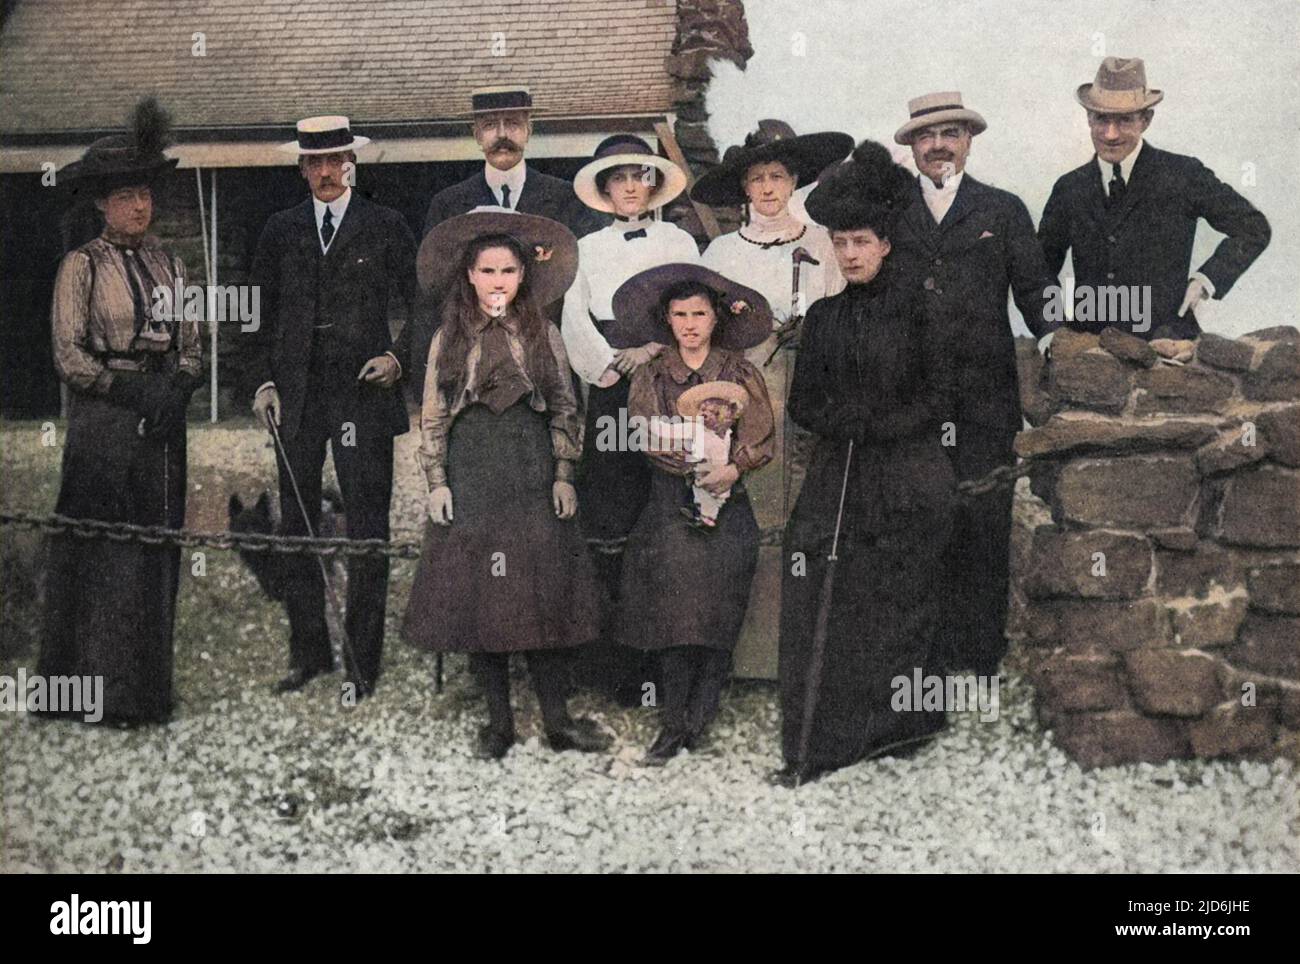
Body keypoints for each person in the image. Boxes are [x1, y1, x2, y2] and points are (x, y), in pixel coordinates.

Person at [777, 141, 959, 785]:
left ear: (885, 243)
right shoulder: (824, 319)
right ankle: (821, 733)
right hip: (839, 471)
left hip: (907, 470)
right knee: (820, 582)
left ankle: (895, 727)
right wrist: (839, 420)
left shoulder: (922, 308)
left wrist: (883, 424)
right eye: (842, 242)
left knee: (898, 592)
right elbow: (803, 402)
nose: (851, 253)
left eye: (862, 241)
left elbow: (942, 395)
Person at [401, 208, 609, 760]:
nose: (498, 282)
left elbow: (566, 408)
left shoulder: (545, 334)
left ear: (524, 277)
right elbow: (434, 413)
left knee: (543, 584)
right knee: (481, 591)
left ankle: (558, 719)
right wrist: (438, 481)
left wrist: (564, 474)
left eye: (509, 271)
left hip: (530, 466)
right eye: (488, 271)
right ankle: (498, 723)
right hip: (472, 468)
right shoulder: (448, 338)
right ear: (469, 275)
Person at [40, 98, 202, 726]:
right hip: (105, 421)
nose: (140, 207)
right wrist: (127, 391)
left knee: (157, 543)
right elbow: (68, 354)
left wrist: (176, 390)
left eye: (146, 195)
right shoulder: (80, 267)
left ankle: (145, 691)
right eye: (127, 196)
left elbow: (191, 344)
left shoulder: (171, 264)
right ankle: (89, 690)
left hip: (164, 420)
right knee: (104, 546)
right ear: (101, 204)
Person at [888, 91, 1058, 677]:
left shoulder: (1002, 209)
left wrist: (1058, 336)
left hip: (985, 394)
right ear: (911, 146)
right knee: (915, 516)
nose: (938, 145)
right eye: (925, 136)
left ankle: (978, 652)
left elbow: (1035, 288)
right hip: (907, 396)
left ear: (969, 140)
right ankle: (917, 650)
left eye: (950, 134)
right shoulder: (889, 211)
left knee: (984, 516)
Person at [247, 116, 416, 700]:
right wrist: (262, 381)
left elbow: (424, 305)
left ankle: (362, 664)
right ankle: (308, 654)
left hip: (364, 395)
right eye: (313, 162)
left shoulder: (386, 225)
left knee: (367, 530)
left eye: (335, 160)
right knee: (296, 526)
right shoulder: (279, 229)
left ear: (351, 163)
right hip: (296, 398)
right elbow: (253, 312)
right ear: (300, 167)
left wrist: (398, 356)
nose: (324, 171)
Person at [691, 119, 852, 678]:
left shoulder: (822, 244)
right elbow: (704, 330)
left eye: (778, 177)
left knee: (808, 514)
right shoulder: (720, 252)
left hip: (810, 391)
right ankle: (746, 655)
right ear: (744, 188)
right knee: (746, 512)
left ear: (794, 182)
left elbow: (840, 313)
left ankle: (804, 650)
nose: (767, 189)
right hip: (743, 394)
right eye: (757, 178)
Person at [607, 263, 775, 762]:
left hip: (729, 503)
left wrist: (733, 467)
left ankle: (703, 713)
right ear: (667, 320)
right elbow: (642, 430)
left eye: (699, 313)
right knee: (675, 612)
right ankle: (672, 720)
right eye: (679, 314)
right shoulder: (655, 375)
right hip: (670, 503)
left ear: (715, 319)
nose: (690, 324)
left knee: (720, 607)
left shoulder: (739, 371)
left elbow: (760, 431)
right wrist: (687, 459)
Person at [559, 133, 699, 700]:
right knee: (612, 512)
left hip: (671, 385)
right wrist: (610, 368)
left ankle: (671, 664)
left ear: (654, 184)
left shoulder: (679, 240)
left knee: (668, 506)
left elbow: (698, 307)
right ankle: (614, 666)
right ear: (605, 189)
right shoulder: (586, 248)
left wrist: (657, 352)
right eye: (618, 179)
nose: (630, 188)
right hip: (615, 391)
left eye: (640, 177)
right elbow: (574, 318)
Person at [1039, 57, 1271, 340]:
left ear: (1146, 120)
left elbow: (1254, 228)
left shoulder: (1183, 174)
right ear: (1088, 118)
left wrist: (1205, 280)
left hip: (1166, 346)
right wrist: (1056, 332)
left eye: (1124, 120)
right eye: (1101, 119)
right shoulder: (1069, 188)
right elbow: (1038, 271)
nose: (1110, 134)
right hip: (1091, 350)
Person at [410, 85, 608, 392]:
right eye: (490, 125)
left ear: (530, 130)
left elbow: (583, 287)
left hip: (543, 359)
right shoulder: (449, 204)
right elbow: (431, 290)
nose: (503, 135)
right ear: (476, 134)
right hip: (470, 361)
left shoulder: (565, 198)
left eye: (513, 124)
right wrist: (427, 369)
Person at [675, 381, 749, 531]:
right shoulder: (700, 431)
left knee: (710, 494)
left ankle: (707, 519)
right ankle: (698, 513)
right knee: (698, 489)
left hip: (714, 469)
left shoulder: (724, 436)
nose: (706, 415)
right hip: (700, 466)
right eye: (703, 410)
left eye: (715, 413)